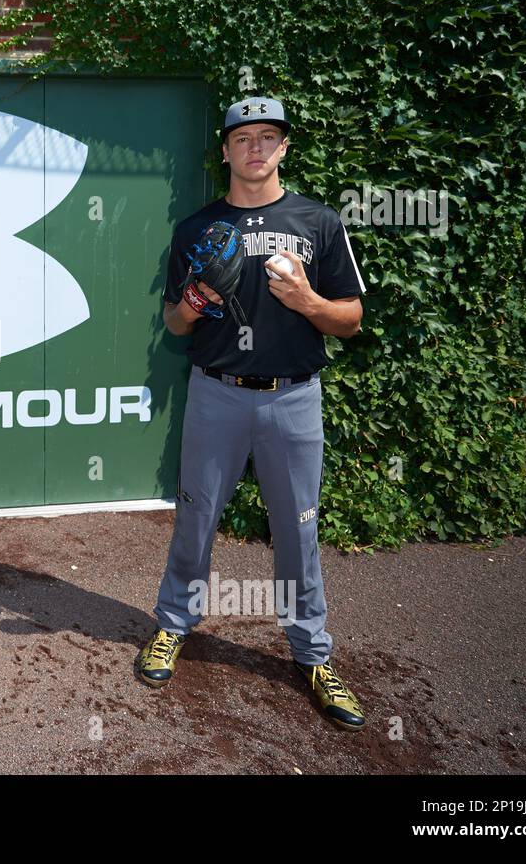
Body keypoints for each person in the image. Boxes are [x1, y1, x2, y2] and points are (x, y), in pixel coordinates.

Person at [135, 96, 370, 731]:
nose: (257, 148)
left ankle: (312, 654)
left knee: (298, 529)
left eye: (269, 137)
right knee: (196, 516)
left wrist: (306, 298)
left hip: (293, 397)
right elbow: (174, 324)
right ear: (227, 151)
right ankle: (173, 626)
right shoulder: (196, 228)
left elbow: (348, 320)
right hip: (218, 391)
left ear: (285, 147)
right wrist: (196, 296)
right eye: (245, 138)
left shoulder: (317, 222)